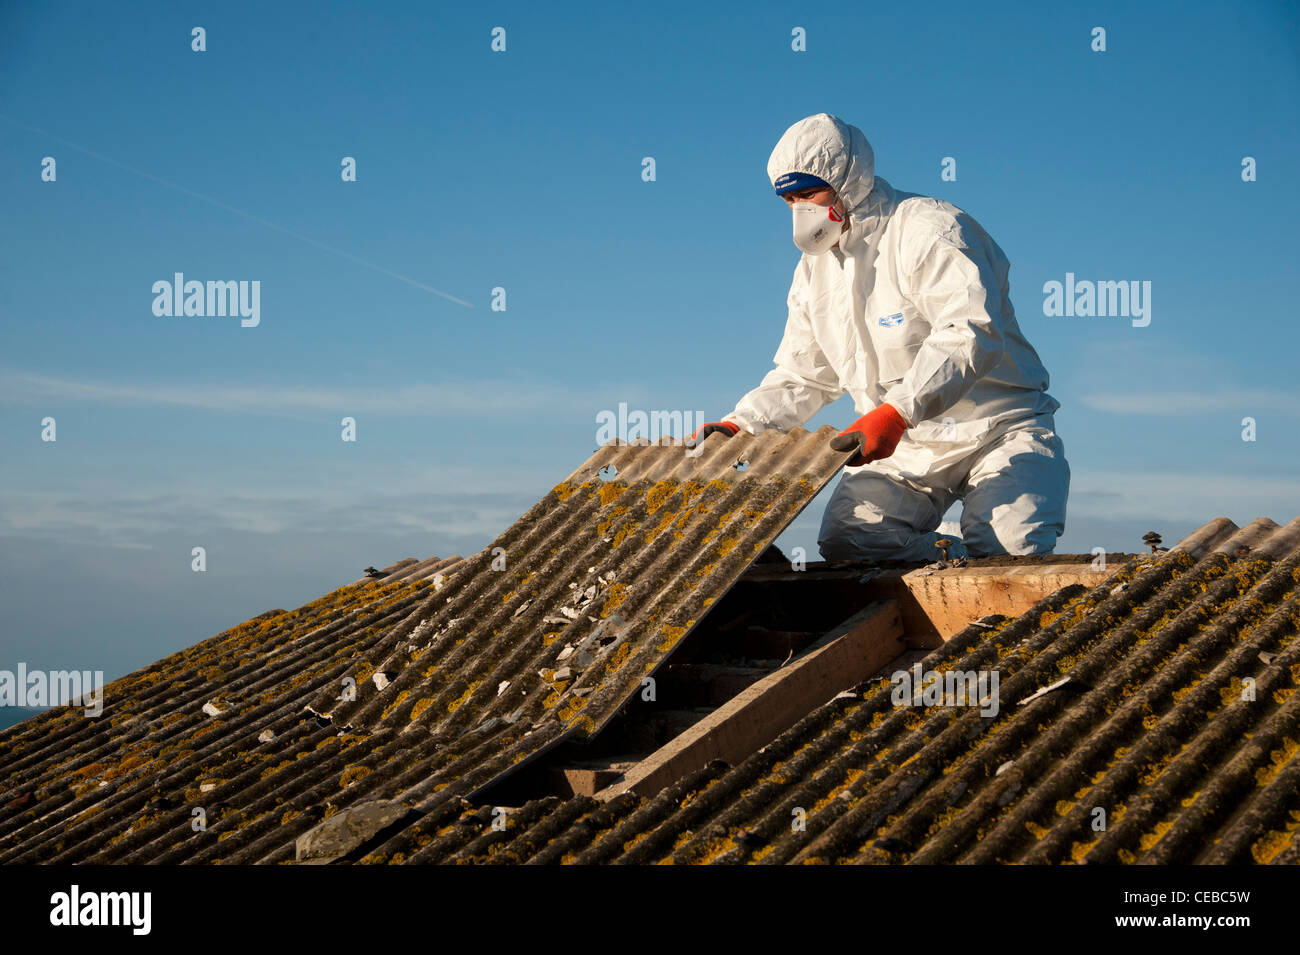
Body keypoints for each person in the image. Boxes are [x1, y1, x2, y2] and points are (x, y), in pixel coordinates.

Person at [691, 113, 1069, 561]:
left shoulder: (930, 228)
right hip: (904, 447)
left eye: (809, 193)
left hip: (998, 428)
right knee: (852, 543)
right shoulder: (814, 271)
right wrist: (742, 426)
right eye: (789, 199)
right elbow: (803, 374)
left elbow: (970, 331)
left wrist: (899, 411)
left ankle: (985, 565)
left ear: (849, 178)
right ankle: (952, 560)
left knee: (1010, 550)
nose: (800, 211)